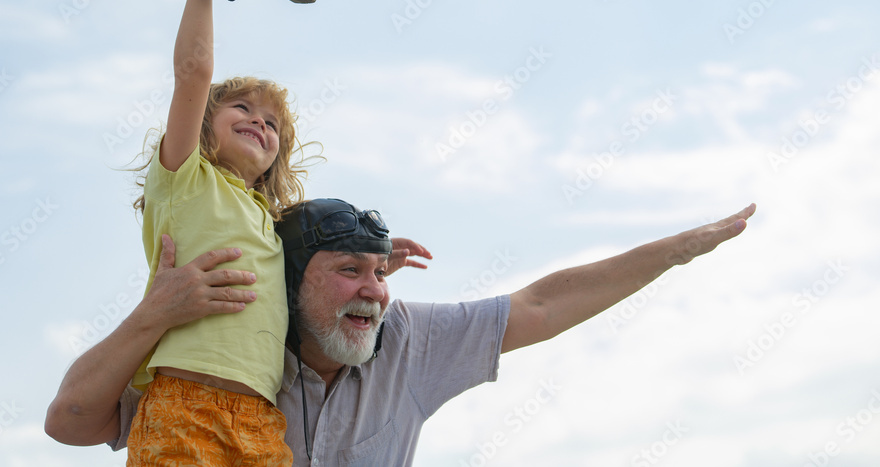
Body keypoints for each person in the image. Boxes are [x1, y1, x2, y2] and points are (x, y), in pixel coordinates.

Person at [45, 198, 756, 465]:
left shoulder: (410, 340)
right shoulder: (223, 357)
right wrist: (154, 315)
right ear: (289, 281)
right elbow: (70, 422)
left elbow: (538, 305)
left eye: (380, 272)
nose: (376, 290)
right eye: (350, 269)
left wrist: (671, 251)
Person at [124, 0, 307, 465]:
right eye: (242, 111)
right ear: (206, 126)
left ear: (277, 156)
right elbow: (194, 72)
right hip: (187, 404)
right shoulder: (187, 177)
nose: (259, 122)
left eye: (271, 122)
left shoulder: (268, 223)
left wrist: (373, 261)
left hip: (260, 421)